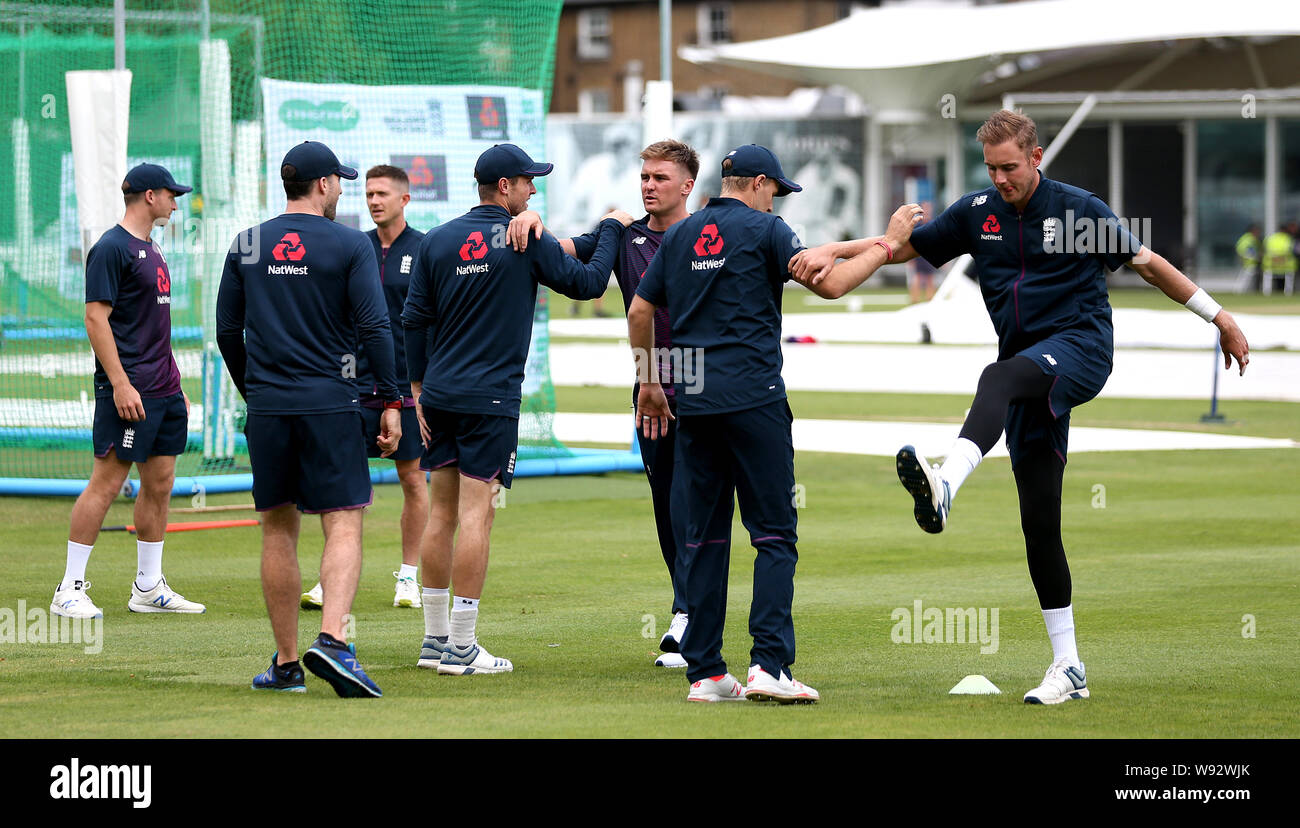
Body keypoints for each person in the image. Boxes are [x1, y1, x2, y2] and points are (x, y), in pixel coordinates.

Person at [791, 109, 1250, 705]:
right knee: (1039, 519)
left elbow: (1150, 266)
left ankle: (947, 484)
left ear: (1036, 158)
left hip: (1081, 350)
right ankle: (1070, 668)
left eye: (1010, 167)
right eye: (992, 168)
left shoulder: (1079, 211)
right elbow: (905, 249)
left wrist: (1221, 317)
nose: (1001, 178)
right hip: (1027, 371)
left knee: (996, 377)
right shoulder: (976, 212)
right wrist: (835, 246)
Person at [402, 143, 631, 676]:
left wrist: (416, 389)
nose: (534, 189)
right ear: (504, 187)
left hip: (436, 397)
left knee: (441, 514)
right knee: (477, 515)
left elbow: (413, 321)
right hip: (491, 399)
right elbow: (591, 283)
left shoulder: (435, 240)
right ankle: (461, 646)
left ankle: (434, 641)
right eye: (529, 181)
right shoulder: (523, 238)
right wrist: (616, 229)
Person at [631, 144, 822, 704]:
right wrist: (885, 246)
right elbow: (827, 282)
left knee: (706, 537)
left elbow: (641, 312)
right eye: (775, 191)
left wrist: (649, 382)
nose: (774, 201)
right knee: (773, 535)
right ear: (760, 183)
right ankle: (769, 666)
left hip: (691, 400)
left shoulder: (682, 233)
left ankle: (707, 674)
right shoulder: (768, 231)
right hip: (754, 399)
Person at [217, 140, 403, 697]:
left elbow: (229, 332)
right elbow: (375, 328)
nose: (344, 190)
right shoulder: (350, 244)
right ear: (323, 185)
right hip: (332, 403)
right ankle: (335, 643)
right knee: (343, 520)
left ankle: (287, 663)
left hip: (270, 407)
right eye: (341, 182)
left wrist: (255, 388)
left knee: (277, 527)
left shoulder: (247, 243)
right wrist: (390, 399)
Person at [510, 140, 700, 669]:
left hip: (708, 387)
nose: (648, 185)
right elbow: (562, 252)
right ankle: (686, 612)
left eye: (660, 178)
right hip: (650, 389)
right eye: (644, 176)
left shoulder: (708, 236)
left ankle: (694, 616)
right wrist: (532, 223)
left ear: (686, 186)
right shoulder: (625, 237)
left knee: (698, 504)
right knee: (667, 504)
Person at [51, 163, 205, 620]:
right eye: (171, 194)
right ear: (149, 196)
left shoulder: (152, 248)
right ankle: (68, 589)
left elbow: (154, 328)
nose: (177, 201)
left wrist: (176, 386)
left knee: (160, 484)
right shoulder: (111, 248)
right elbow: (96, 319)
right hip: (128, 392)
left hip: (163, 392)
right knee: (107, 482)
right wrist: (120, 383)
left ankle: (148, 587)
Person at [300, 165, 428, 612]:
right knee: (341, 480)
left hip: (405, 385)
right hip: (351, 382)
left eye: (382, 194)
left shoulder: (425, 248)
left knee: (412, 477)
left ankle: (409, 576)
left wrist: (421, 380)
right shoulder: (353, 246)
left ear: (405, 200)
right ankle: (327, 578)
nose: (373, 201)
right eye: (368, 193)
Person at [1261, 220, 1297, 296]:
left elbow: (1265, 250)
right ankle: (1288, 293)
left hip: (1271, 265)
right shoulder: (1289, 239)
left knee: (1268, 278)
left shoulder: (1270, 239)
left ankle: (1266, 292)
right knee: (1289, 278)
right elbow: (1292, 251)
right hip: (1286, 266)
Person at [1234, 223, 1261, 293]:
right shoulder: (1250, 239)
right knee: (1247, 277)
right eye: (1258, 231)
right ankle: (1241, 291)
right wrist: (1256, 256)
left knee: (1245, 276)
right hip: (1249, 261)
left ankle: (1241, 290)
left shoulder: (1244, 238)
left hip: (1246, 260)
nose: (1258, 233)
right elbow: (1249, 249)